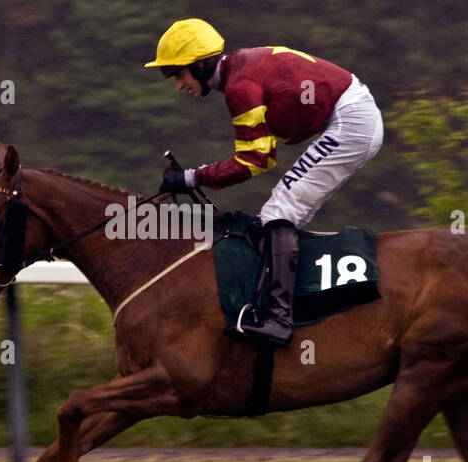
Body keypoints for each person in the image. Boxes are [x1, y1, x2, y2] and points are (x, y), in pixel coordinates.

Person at [147, 18, 383, 346]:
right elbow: (266, 153)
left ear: (200, 65)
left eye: (178, 74)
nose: (178, 85)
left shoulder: (239, 87)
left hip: (351, 121)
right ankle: (290, 302)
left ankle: (280, 319)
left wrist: (190, 178)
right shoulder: (238, 69)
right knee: (277, 215)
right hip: (351, 113)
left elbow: (255, 162)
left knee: (279, 211)